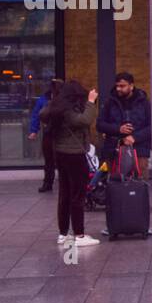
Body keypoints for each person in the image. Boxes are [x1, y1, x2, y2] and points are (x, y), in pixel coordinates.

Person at [41, 80, 100, 247]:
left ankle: (63, 234)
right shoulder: (68, 111)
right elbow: (84, 120)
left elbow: (43, 114)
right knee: (77, 196)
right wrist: (90, 101)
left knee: (65, 196)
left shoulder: (56, 108)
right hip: (74, 155)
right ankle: (79, 235)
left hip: (60, 154)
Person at [97, 72, 152, 178]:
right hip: (112, 149)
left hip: (138, 150)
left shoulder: (144, 102)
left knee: (138, 184)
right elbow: (100, 124)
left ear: (131, 86)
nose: (118, 89)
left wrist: (134, 137)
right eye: (117, 86)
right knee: (112, 184)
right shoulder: (110, 102)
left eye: (122, 86)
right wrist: (118, 129)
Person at [28, 79, 63, 193]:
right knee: (49, 161)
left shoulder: (63, 100)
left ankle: (61, 184)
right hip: (49, 132)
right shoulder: (44, 99)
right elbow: (36, 115)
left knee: (61, 160)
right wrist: (34, 130)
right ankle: (48, 183)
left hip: (61, 133)